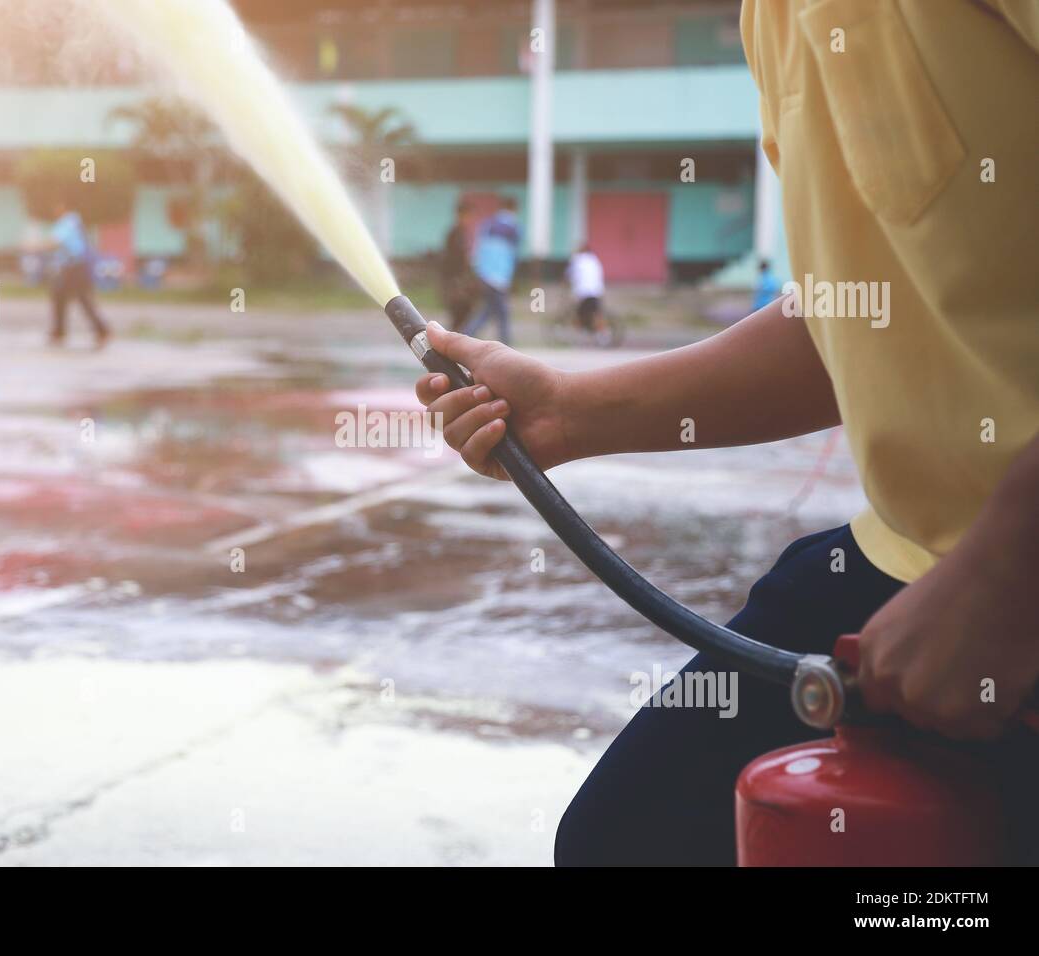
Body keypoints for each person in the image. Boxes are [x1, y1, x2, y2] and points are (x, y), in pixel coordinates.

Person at [415, 0, 1038, 865]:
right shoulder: (771, 17)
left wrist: (1007, 573)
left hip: (1004, 572)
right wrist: (568, 411)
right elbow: (858, 316)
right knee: (627, 840)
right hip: (913, 565)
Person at [47, 201, 110, 348]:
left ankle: (102, 330)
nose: (53, 209)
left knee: (82, 299)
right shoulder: (73, 222)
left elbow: (56, 242)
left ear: (63, 206)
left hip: (75, 267)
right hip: (69, 267)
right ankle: (59, 332)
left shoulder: (69, 222)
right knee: (59, 296)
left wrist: (33, 246)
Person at [460, 196, 520, 345]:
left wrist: (477, 269)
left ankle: (465, 335)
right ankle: (506, 344)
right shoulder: (513, 228)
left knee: (488, 310)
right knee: (501, 313)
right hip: (500, 277)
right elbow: (513, 255)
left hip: (484, 274)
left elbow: (478, 249)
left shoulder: (488, 224)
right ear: (514, 209)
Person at [439, 199, 479, 330]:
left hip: (460, 280)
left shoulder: (462, 232)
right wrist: (455, 283)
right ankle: (452, 338)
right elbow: (452, 260)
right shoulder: (455, 233)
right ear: (460, 215)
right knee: (459, 312)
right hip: (455, 281)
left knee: (465, 312)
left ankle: (455, 336)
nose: (470, 219)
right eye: (468, 216)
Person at [565, 243, 609, 338]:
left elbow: (569, 274)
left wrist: (566, 283)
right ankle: (601, 333)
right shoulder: (594, 259)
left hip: (582, 291)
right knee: (596, 312)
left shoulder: (577, 259)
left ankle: (578, 333)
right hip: (597, 290)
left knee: (577, 312)